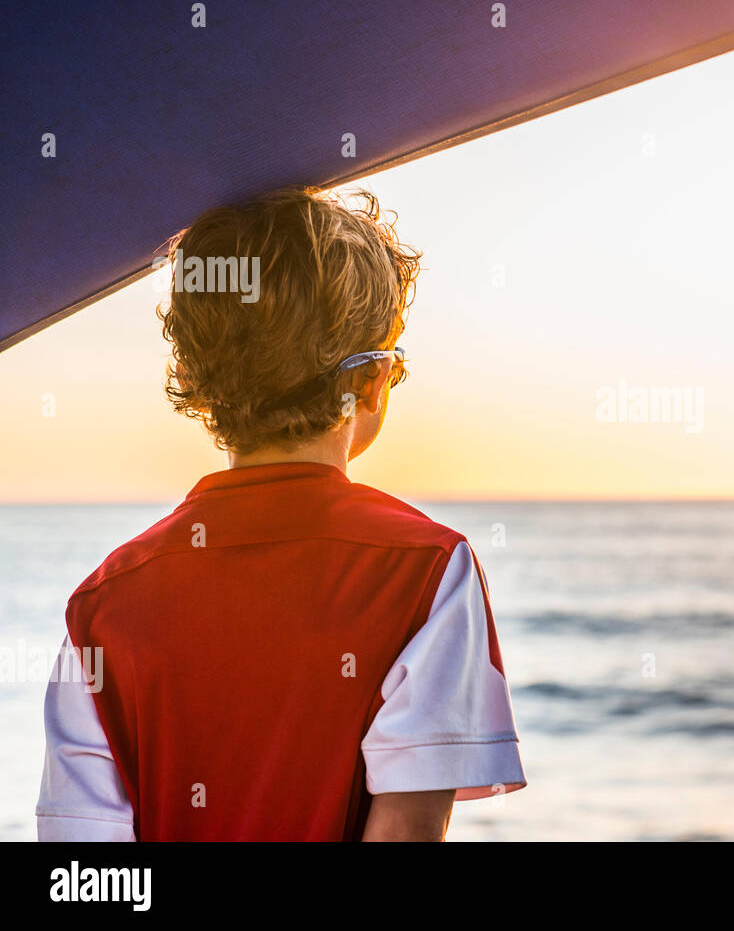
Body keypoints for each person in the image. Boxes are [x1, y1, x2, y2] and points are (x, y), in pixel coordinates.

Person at [36, 187, 525, 841]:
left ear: (192, 374)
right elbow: (405, 831)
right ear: (374, 379)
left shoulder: (101, 604)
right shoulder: (428, 571)